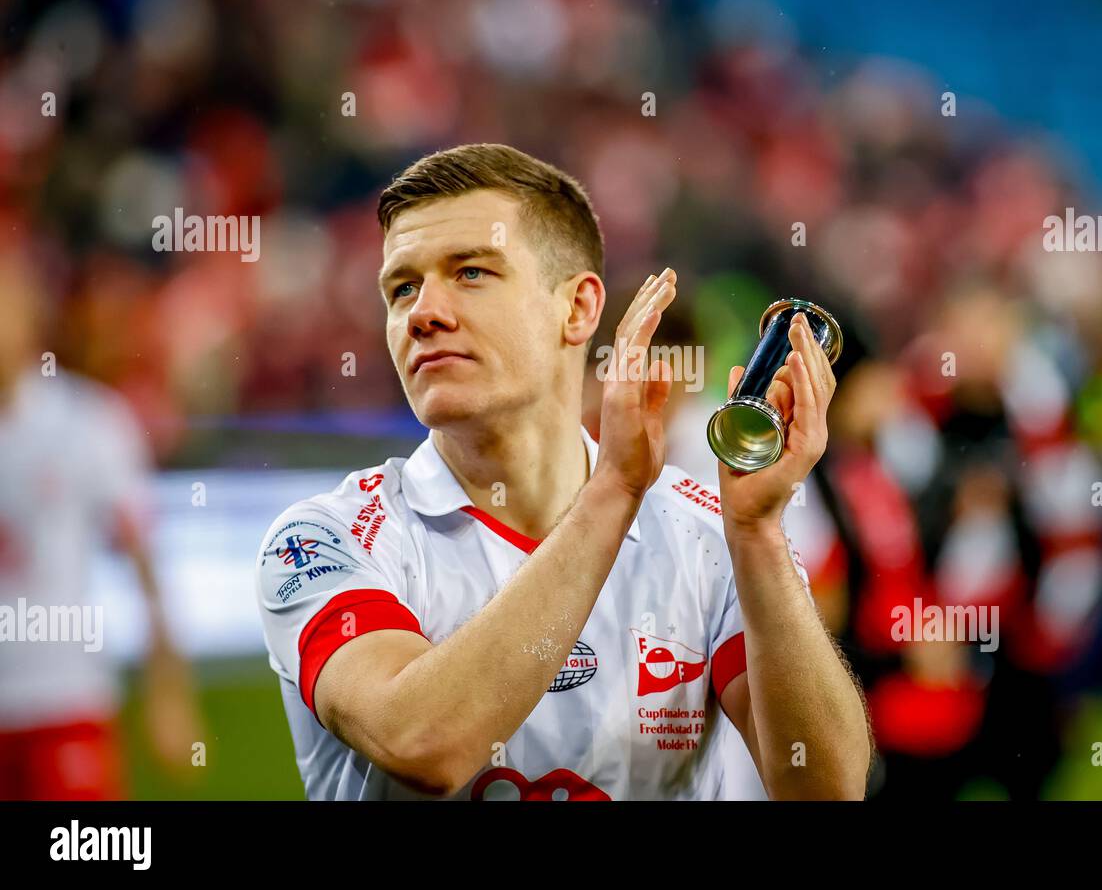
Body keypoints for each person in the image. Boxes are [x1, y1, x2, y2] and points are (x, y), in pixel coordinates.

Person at [254, 143, 871, 800]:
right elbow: (422, 744)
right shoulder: (324, 540)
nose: (423, 313)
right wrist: (613, 493)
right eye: (402, 287)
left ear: (576, 310)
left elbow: (826, 788)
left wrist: (759, 535)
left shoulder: (709, 536)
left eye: (471, 273)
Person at [0, 253, 202, 799]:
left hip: (62, 699)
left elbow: (144, 561)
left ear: (30, 317)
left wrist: (168, 692)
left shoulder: (88, 422)